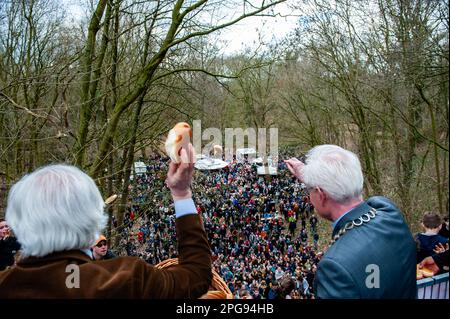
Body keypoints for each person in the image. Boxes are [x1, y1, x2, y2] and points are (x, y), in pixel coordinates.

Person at [0, 143, 212, 298]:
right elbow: (196, 276)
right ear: (92, 220)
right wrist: (181, 193)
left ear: (18, 224)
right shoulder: (125, 279)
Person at [285, 144, 417, 299]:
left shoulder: (334, 268)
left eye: (309, 189)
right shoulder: (389, 212)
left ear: (321, 195)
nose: (308, 195)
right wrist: (310, 176)